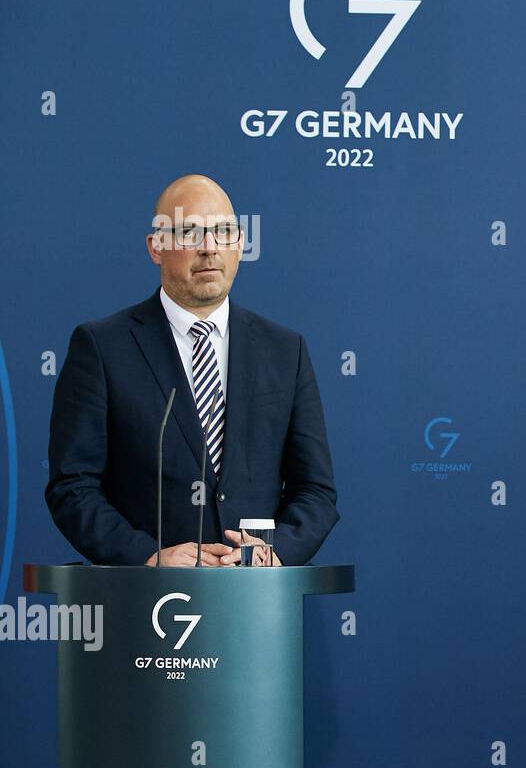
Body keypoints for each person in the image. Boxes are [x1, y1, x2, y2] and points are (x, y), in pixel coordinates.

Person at [45, 174, 338, 567]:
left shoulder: (286, 350)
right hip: (146, 605)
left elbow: (315, 489)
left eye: (223, 231)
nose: (208, 248)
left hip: (257, 604)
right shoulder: (102, 347)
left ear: (240, 244)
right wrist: (148, 556)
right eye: (189, 232)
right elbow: (73, 485)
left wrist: (275, 553)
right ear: (156, 247)